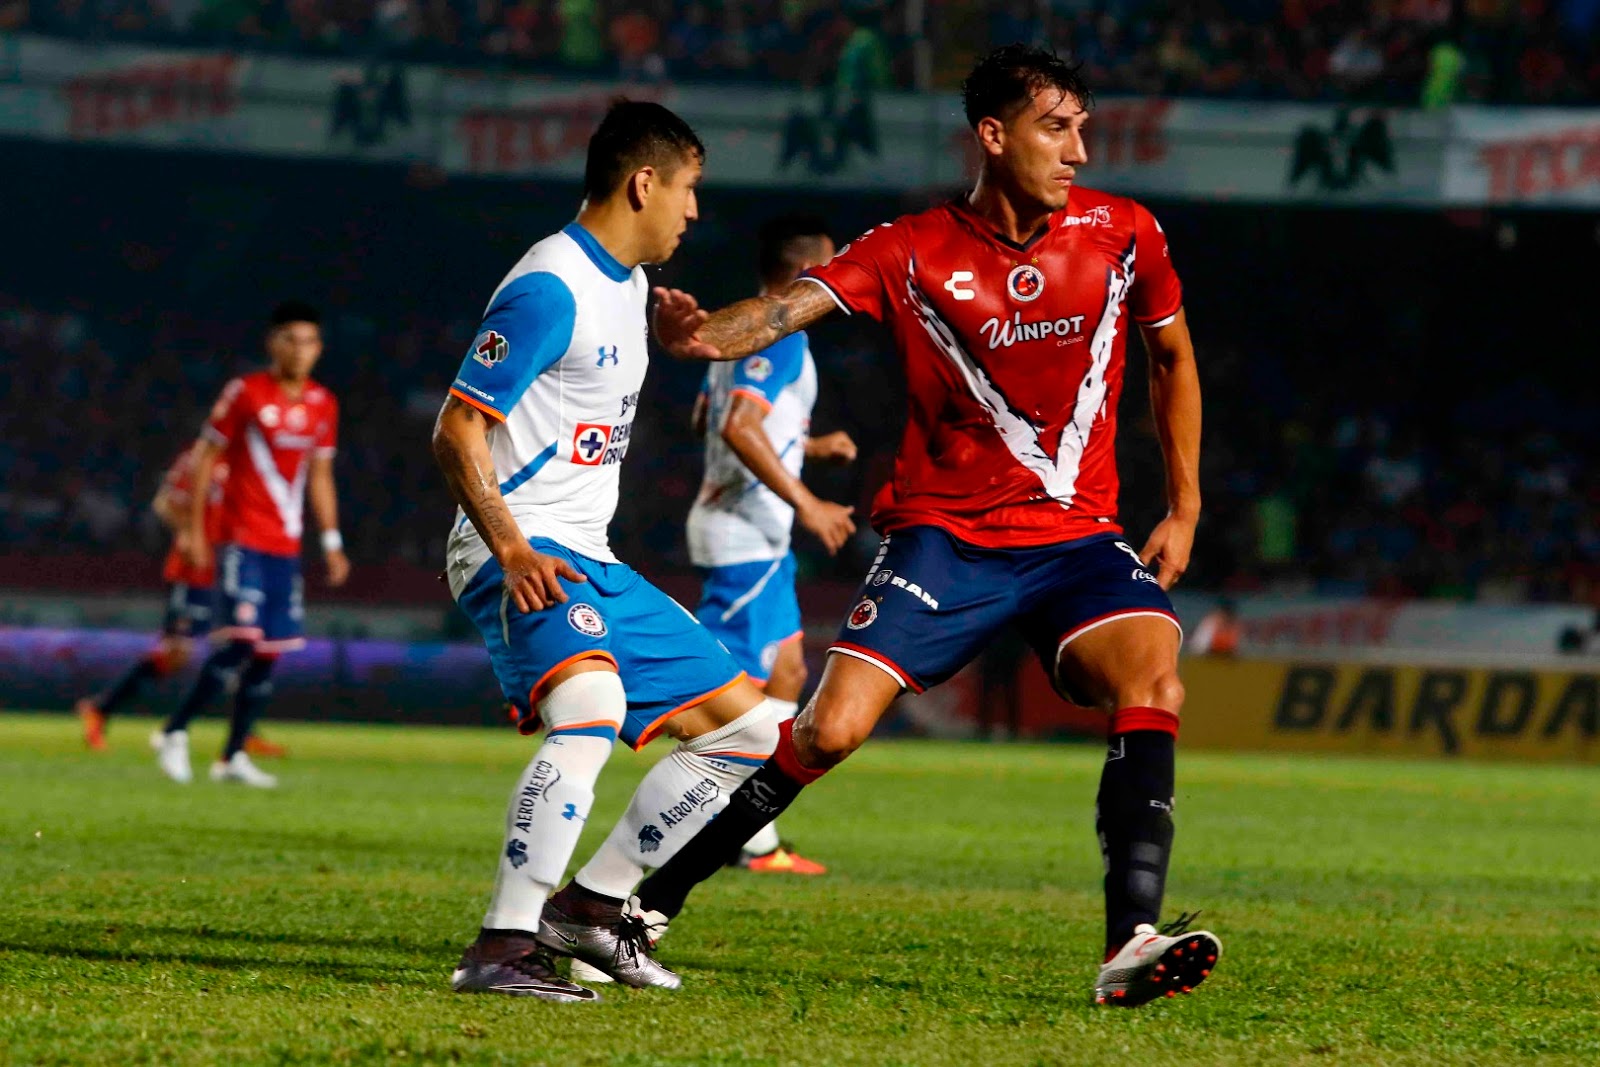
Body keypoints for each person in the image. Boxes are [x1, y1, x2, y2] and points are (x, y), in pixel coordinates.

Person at [638, 44, 1221, 1007]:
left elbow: (1174, 358)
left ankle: (1132, 939)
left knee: (1153, 673)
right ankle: (647, 903)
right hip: (947, 537)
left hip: (1077, 537)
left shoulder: (1126, 233)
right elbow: (786, 306)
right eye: (1055, 127)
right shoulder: (909, 249)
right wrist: (699, 336)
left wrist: (1188, 505)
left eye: (1082, 126)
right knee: (825, 730)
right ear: (992, 136)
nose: (1079, 148)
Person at [432, 99, 786, 1002]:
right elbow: (458, 430)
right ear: (644, 183)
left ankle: (593, 907)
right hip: (516, 543)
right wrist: (510, 548)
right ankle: (502, 945)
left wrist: (672, 342)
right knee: (589, 707)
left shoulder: (626, 287)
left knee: (754, 731)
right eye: (690, 188)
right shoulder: (550, 284)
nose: (695, 211)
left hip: (591, 553)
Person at [687, 212, 857, 875]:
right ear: (803, 272)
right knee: (727, 695)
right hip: (744, 533)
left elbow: (710, 413)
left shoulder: (744, 326)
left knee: (787, 674)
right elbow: (736, 424)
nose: (839, 277)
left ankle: (754, 834)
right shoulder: (782, 331)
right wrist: (810, 500)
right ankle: (704, 819)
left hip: (756, 528)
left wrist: (810, 446)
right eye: (831, 265)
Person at [150, 302, 349, 789]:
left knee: (268, 653)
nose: (299, 351)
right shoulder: (246, 393)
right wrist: (196, 531)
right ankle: (173, 732)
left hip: (285, 543)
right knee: (238, 644)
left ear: (319, 349)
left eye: (308, 342)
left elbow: (320, 474)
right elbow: (204, 459)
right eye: (290, 340)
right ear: (273, 344)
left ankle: (231, 756)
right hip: (241, 538)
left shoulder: (323, 403)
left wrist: (331, 541)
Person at [75, 444, 288, 758]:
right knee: (176, 652)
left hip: (238, 567)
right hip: (197, 569)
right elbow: (165, 503)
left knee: (243, 648)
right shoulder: (201, 456)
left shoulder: (256, 460)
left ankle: (242, 735)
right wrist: (189, 532)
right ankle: (101, 708)